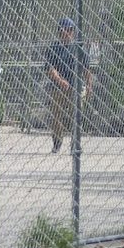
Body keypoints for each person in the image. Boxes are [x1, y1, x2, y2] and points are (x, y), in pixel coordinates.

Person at [45, 17, 91, 153]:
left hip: (76, 86)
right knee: (56, 116)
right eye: (66, 30)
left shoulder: (78, 48)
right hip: (58, 87)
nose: (69, 33)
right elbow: (50, 69)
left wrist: (88, 85)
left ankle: (75, 144)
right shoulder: (53, 48)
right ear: (60, 31)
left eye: (71, 30)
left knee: (76, 115)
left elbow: (87, 69)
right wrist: (60, 81)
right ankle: (57, 143)